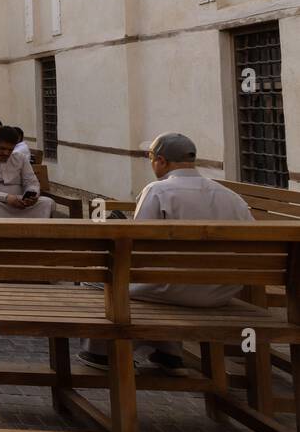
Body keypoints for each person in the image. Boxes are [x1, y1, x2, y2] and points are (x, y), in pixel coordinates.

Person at [78, 132, 254, 372]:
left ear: (160, 160)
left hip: (170, 290)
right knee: (160, 281)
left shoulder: (158, 191)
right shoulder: (233, 198)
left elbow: (137, 250)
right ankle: (167, 351)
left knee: (97, 277)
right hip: (219, 293)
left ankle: (101, 352)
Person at [0, 126, 54, 218]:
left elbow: (31, 182)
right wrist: (6, 197)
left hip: (20, 202)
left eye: (10, 150)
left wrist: (32, 196)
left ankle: (31, 231)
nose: (6, 153)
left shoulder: (20, 158)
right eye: (2, 148)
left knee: (48, 203)